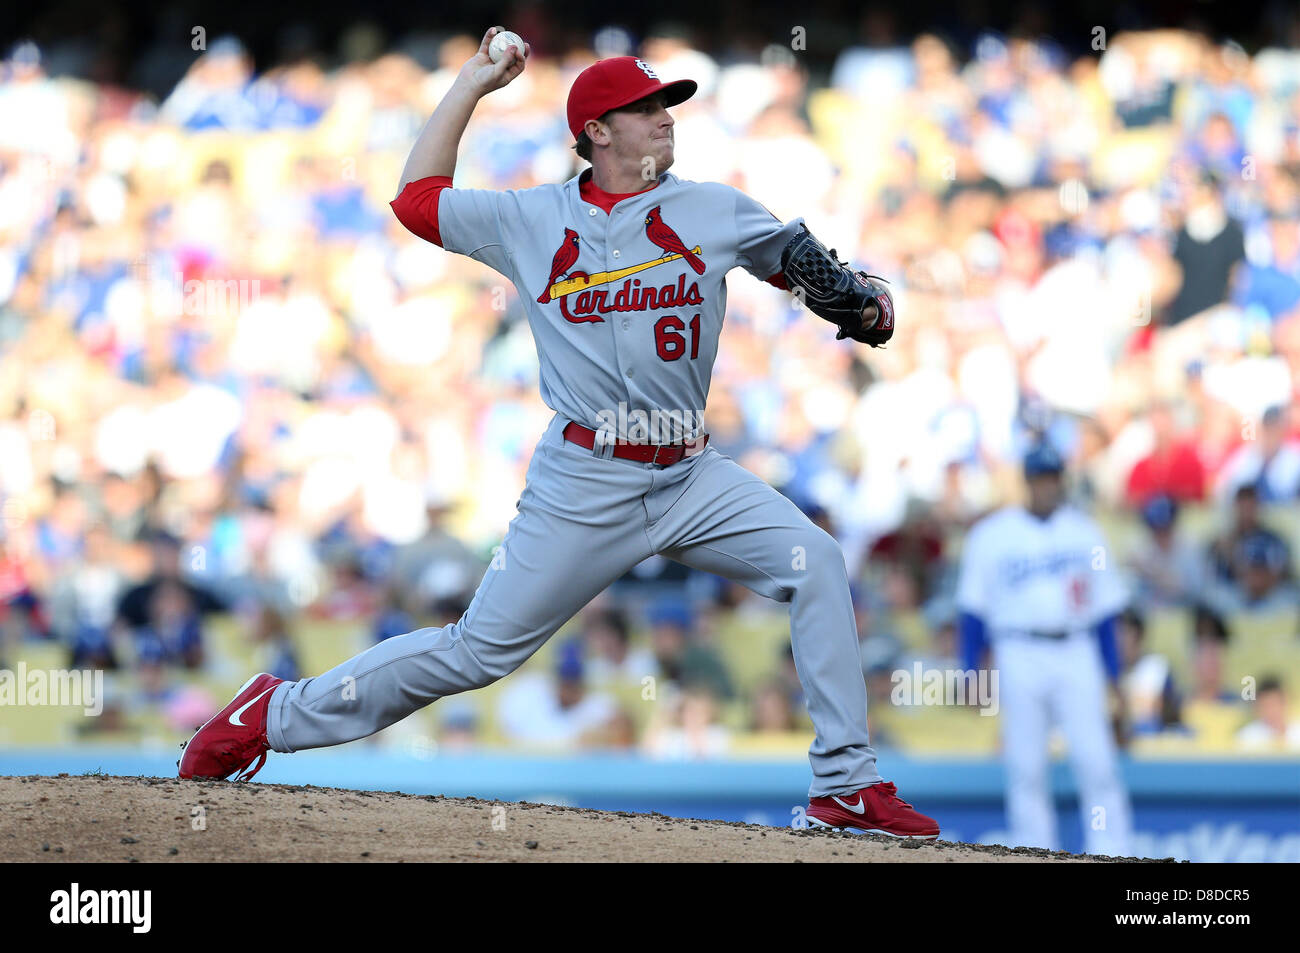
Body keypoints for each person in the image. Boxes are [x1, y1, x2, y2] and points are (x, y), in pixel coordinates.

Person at [178, 29, 936, 839]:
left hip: (689, 472)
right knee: (477, 653)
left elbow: (798, 261)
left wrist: (858, 298)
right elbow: (415, 199)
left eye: (667, 106)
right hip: (586, 478)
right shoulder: (532, 218)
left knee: (814, 559)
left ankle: (846, 784)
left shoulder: (714, 208)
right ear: (597, 133)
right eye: (644, 109)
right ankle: (274, 713)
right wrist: (471, 84)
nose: (664, 119)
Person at [956, 441, 1134, 855]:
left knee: (1097, 761)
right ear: (1027, 482)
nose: (1047, 486)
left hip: (1076, 647)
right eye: (1039, 478)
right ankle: (1035, 852)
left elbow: (1106, 611)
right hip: (1017, 650)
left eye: (1053, 478)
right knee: (1026, 767)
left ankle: (1114, 851)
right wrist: (970, 670)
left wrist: (1114, 674)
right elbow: (972, 613)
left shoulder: (1086, 531)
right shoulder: (992, 534)